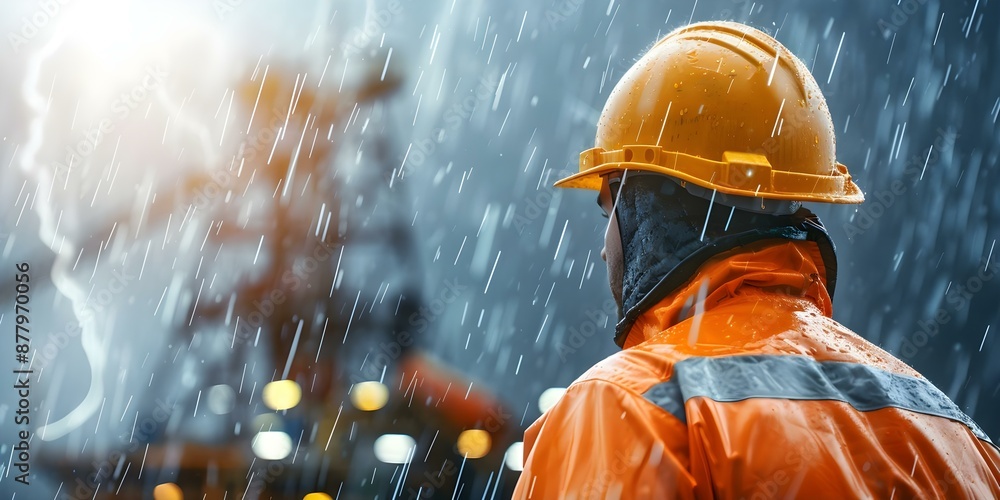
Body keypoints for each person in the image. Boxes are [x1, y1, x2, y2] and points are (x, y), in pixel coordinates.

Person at [513, 21, 1000, 498]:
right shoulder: (955, 432)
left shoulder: (625, 409)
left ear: (642, 203)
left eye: (609, 211)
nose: (603, 250)